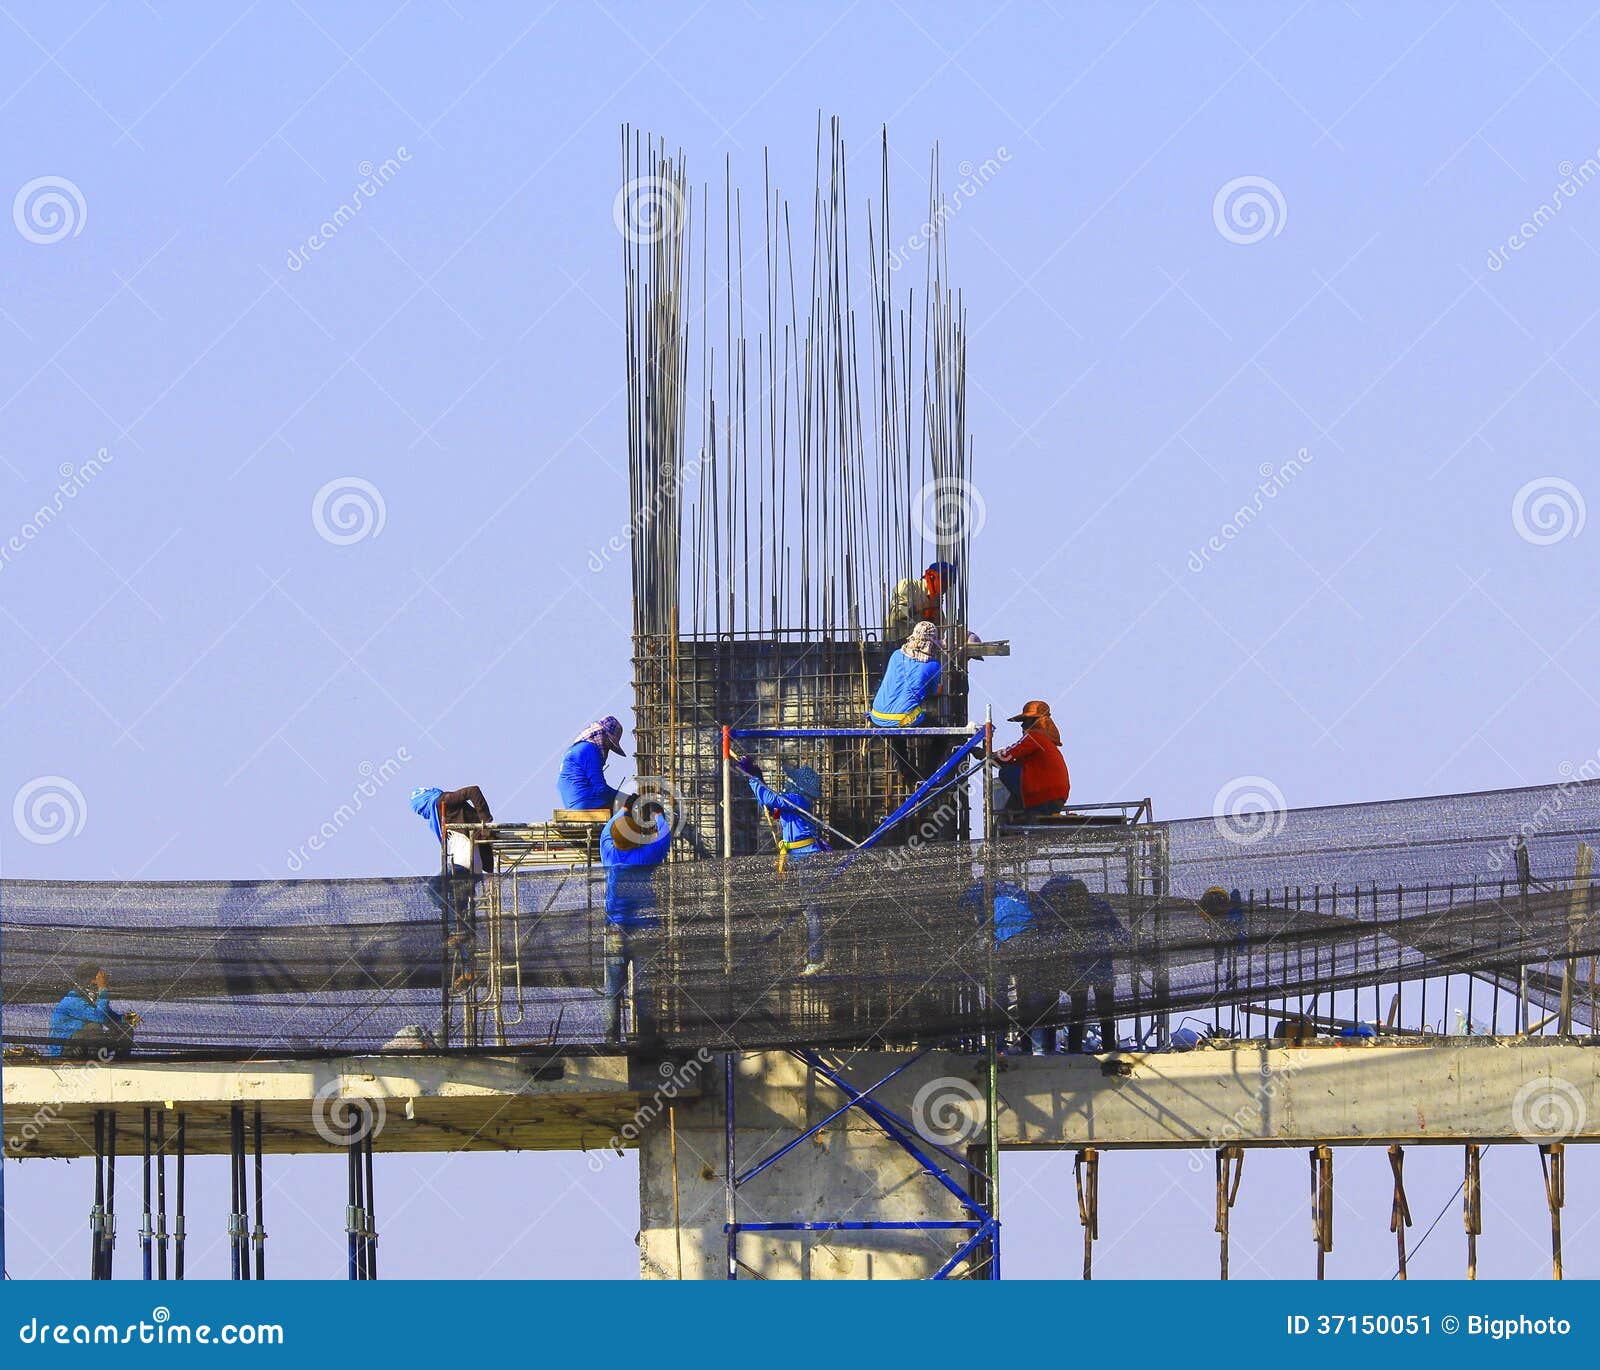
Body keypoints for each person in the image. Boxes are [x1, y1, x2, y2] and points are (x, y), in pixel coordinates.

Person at [735, 756, 828, 972]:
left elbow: (768, 798)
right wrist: (757, 776)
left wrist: (752, 778)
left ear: (797, 785)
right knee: (806, 910)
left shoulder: (798, 799)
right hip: (798, 858)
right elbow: (767, 800)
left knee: (811, 911)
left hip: (807, 859)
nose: (787, 782)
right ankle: (812, 956)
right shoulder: (793, 800)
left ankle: (817, 959)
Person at [600, 796, 673, 1043]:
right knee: (643, 989)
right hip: (645, 930)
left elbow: (605, 834)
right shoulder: (646, 857)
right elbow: (664, 837)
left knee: (613, 988)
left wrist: (623, 811)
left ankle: (611, 1038)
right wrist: (658, 814)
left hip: (615, 930)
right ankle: (646, 1039)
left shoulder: (610, 856)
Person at [411, 784, 495, 992]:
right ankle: (469, 970)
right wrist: (489, 871)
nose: (422, 814)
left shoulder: (442, 802)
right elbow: (481, 840)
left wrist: (485, 819)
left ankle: (460, 929)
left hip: (463, 863)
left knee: (432, 889)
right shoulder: (443, 813)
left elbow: (473, 790)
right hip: (471, 865)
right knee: (459, 915)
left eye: (419, 809)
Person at [959, 880, 1058, 1053]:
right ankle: (1038, 1047)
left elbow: (975, 916)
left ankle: (997, 1045)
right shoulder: (1015, 891)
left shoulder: (979, 891)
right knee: (1031, 995)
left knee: (998, 995)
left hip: (1005, 942)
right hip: (1029, 939)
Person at [1038, 876, 1122, 1053]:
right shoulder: (1099, 906)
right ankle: (1108, 1047)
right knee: (1104, 1011)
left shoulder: (1067, 910)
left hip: (1082, 968)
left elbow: (1056, 938)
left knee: (1079, 1010)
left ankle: (1075, 1048)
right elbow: (1117, 932)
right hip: (1099, 967)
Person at [992, 700, 1070, 817]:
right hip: (1057, 797)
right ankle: (1019, 806)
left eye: (1025, 721)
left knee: (1006, 772)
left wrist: (987, 755)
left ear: (1035, 721)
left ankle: (1021, 805)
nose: (1022, 725)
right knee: (1013, 769)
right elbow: (1012, 759)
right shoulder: (1046, 743)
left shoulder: (1034, 737)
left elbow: (1008, 755)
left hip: (1043, 794)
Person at [46, 965, 137, 1059]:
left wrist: (128, 1018)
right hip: (66, 1050)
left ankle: (120, 1063)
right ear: (88, 982)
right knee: (94, 1026)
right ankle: (93, 1060)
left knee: (125, 1030)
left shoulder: (91, 1000)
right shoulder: (73, 1000)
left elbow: (110, 1018)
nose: (102, 984)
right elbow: (100, 1017)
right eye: (98, 981)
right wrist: (103, 989)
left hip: (84, 1043)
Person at [558, 716, 627, 812]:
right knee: (629, 812)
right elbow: (600, 788)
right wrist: (627, 799)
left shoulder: (577, 748)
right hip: (587, 802)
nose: (608, 748)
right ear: (603, 736)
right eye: (609, 744)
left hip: (572, 803)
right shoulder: (591, 749)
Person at [886, 560, 955, 640]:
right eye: (946, 584)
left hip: (922, 649)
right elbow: (897, 613)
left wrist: (937, 620)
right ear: (934, 578)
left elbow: (937, 638)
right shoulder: (909, 585)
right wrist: (926, 605)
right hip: (896, 645)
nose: (946, 590)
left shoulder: (938, 609)